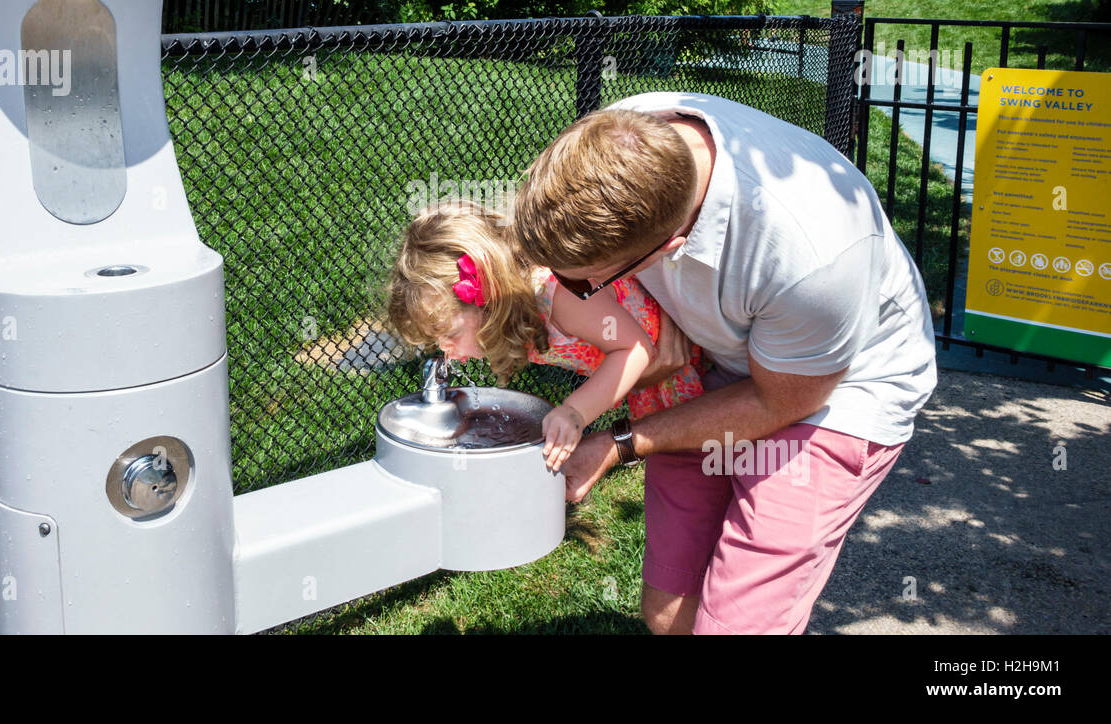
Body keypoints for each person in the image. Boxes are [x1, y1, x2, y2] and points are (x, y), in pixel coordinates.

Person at [512, 93, 938, 635]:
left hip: (832, 393)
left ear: (672, 245)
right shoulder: (622, 133)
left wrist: (619, 443)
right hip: (713, 365)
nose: (563, 289)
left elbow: (777, 401)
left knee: (736, 626)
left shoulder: (812, 256)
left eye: (577, 282)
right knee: (668, 614)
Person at [384, 201, 707, 472]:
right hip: (657, 380)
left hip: (698, 359)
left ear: (489, 299)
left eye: (449, 333)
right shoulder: (513, 314)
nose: (444, 348)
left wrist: (574, 412)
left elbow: (635, 350)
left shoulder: (558, 297)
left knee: (710, 462)